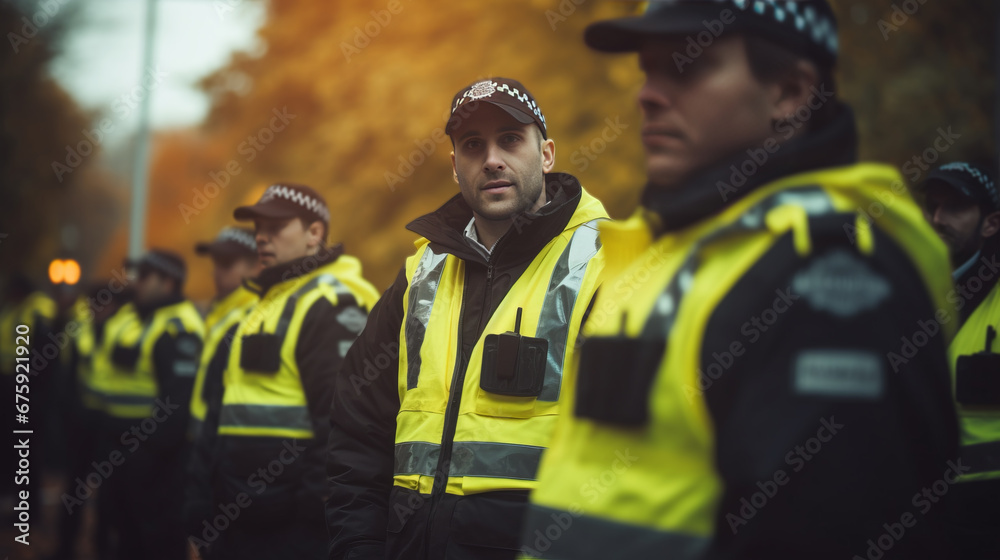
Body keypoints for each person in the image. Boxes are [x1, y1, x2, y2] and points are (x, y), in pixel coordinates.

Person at [522, 2, 961, 558]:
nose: (647, 94)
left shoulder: (825, 272)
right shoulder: (680, 250)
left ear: (789, 94)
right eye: (648, 69)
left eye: (685, 67)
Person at [325, 77, 608, 560]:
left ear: (546, 154)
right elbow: (357, 434)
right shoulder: (419, 275)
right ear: (455, 167)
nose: (492, 158)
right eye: (473, 145)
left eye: (511, 140)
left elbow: (625, 464)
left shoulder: (605, 265)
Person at [208, 183, 380, 559]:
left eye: (276, 228)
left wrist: (309, 522)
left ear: (314, 233)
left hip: (289, 529)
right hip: (243, 519)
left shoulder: (330, 302)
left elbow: (339, 424)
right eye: (257, 230)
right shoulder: (269, 300)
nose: (261, 239)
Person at [89, 249, 205, 560]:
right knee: (126, 537)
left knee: (157, 539)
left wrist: (144, 456)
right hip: (121, 451)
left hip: (156, 462)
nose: (135, 282)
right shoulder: (136, 316)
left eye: (144, 276)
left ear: (168, 282)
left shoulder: (179, 326)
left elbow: (175, 408)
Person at [920, 161, 1000, 558]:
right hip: (920, 516)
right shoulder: (908, 291)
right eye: (933, 206)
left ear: (991, 223)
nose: (937, 218)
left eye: (954, 207)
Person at [183, 226, 260, 557]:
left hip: (224, 460)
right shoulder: (220, 312)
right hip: (201, 450)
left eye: (227, 262)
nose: (217, 270)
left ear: (257, 265)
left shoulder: (251, 318)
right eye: (215, 262)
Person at [51, 282, 130, 559]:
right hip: (83, 422)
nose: (100, 309)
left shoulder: (124, 329)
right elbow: (67, 377)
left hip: (110, 424)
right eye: (95, 304)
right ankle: (65, 547)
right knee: (74, 488)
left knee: (110, 493)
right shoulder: (80, 329)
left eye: (105, 304)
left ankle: (103, 546)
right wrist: (69, 418)